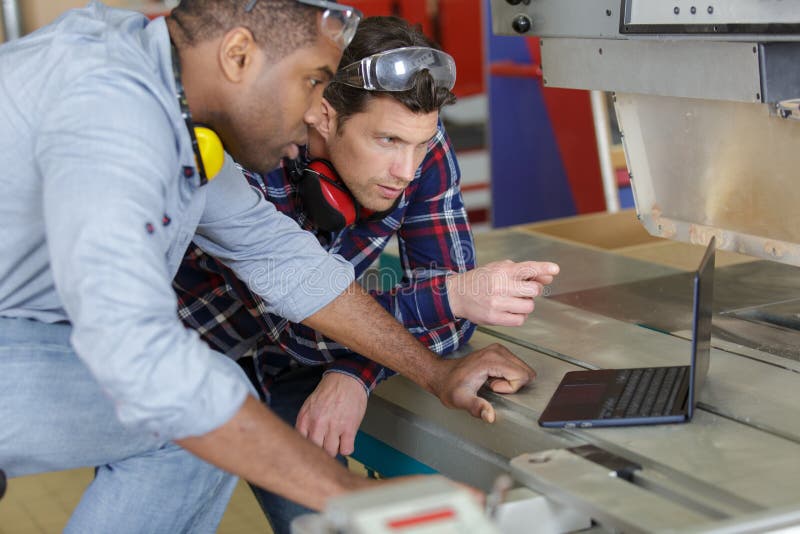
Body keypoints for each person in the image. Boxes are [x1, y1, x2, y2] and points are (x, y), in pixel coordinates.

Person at [0, 1, 539, 531]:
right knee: (185, 413)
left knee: (196, 424)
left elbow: (281, 258)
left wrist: (435, 372)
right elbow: (134, 350)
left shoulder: (166, 97)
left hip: (29, 337)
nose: (314, 114)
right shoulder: (111, 115)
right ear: (238, 56)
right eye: (310, 81)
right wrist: (349, 493)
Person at [174, 16, 559, 533]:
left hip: (299, 369)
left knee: (330, 524)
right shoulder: (255, 150)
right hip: (195, 355)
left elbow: (451, 318)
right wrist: (449, 295)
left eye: (419, 145)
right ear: (324, 116)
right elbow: (301, 327)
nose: (407, 169)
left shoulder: (420, 142)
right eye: (387, 141)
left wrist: (356, 372)